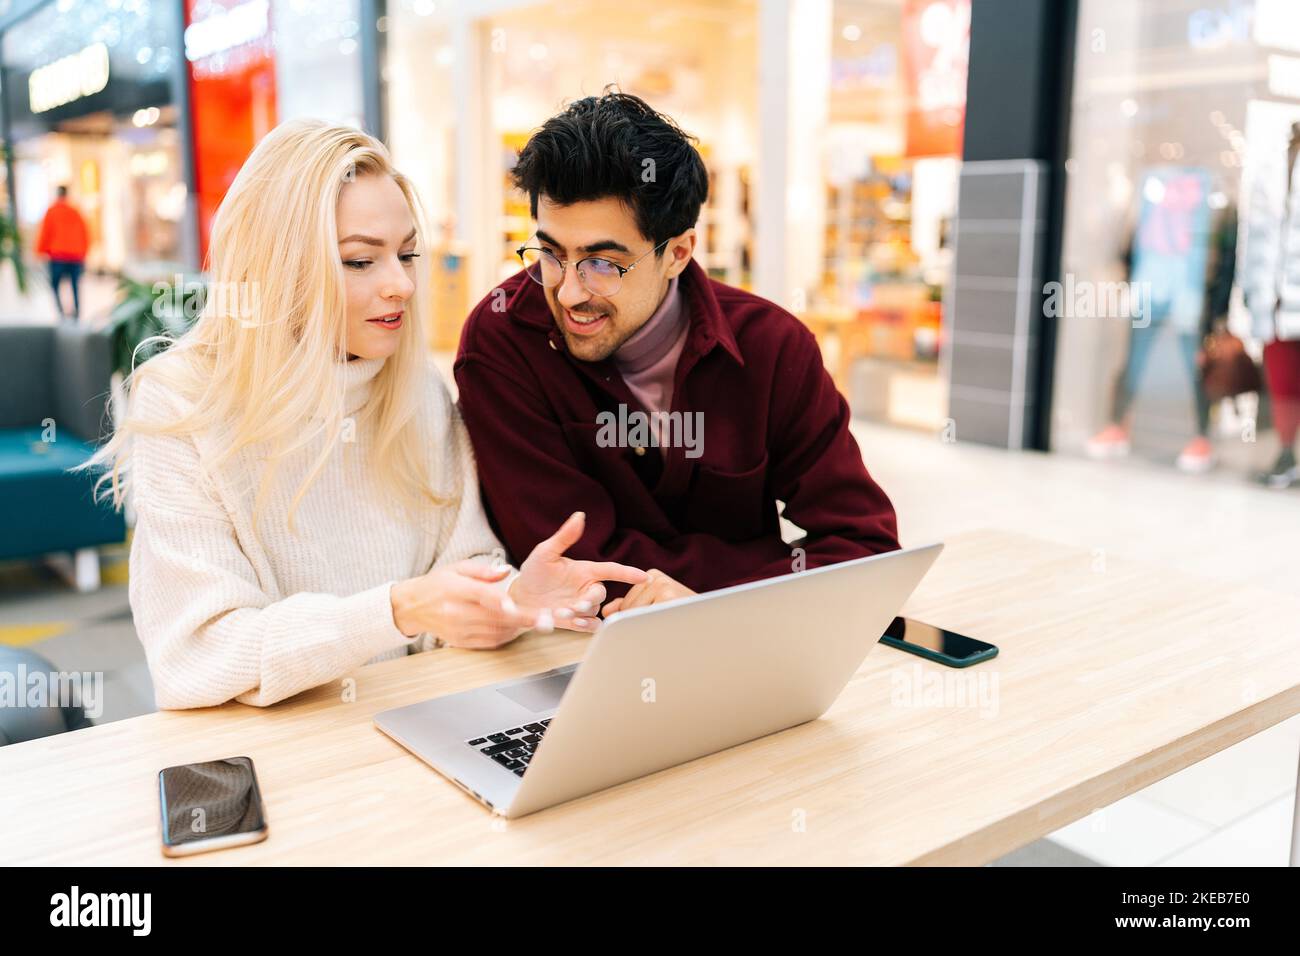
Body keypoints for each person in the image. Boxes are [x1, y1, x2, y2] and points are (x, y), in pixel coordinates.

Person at [78, 119, 645, 709]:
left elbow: (458, 571)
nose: (401, 284)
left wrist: (506, 598)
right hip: (271, 756)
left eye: (406, 254)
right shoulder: (183, 400)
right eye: (359, 261)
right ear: (278, 269)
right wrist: (395, 610)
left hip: (398, 729)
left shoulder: (415, 389)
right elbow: (199, 656)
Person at [455, 92, 900, 618]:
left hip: (753, 649)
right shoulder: (502, 342)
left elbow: (864, 546)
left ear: (679, 253)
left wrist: (706, 605)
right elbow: (573, 568)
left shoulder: (773, 347)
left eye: (602, 263)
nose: (569, 292)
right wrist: (756, 574)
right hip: (569, 657)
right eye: (552, 254)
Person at [37, 185, 90, 321]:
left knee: (55, 284)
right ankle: (77, 311)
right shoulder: (75, 211)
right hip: (75, 256)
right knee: (75, 285)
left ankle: (61, 311)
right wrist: (84, 252)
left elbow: (45, 233)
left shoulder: (52, 211)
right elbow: (85, 233)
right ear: (67, 195)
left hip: (58, 256)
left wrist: (40, 250)